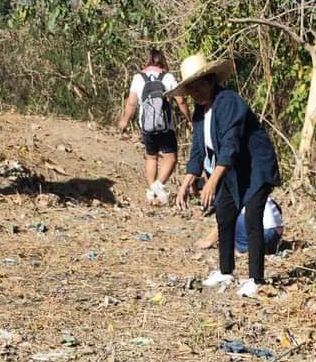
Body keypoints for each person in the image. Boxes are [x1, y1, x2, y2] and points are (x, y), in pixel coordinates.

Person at [171, 53, 281, 299]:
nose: (195, 92)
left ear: (210, 81)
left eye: (198, 85)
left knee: (252, 219)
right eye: (190, 88)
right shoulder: (200, 113)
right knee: (224, 213)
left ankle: (256, 279)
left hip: (255, 168)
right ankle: (225, 271)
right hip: (233, 172)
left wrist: (212, 181)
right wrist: (186, 182)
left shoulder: (229, 102)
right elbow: (198, 149)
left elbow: (231, 144)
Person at [119, 49, 191, 206]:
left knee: (151, 157)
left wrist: (125, 121)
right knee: (171, 158)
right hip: (166, 126)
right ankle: (157, 186)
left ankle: (152, 194)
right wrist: (189, 120)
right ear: (163, 61)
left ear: (148, 61)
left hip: (146, 126)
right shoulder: (168, 77)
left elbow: (131, 103)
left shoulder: (138, 77)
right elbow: (181, 101)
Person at [198, 194, 284, 255]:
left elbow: (225, 223)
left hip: (262, 233)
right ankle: (263, 248)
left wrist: (208, 241)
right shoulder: (259, 191)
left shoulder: (234, 195)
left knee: (231, 219)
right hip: (276, 233)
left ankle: (243, 250)